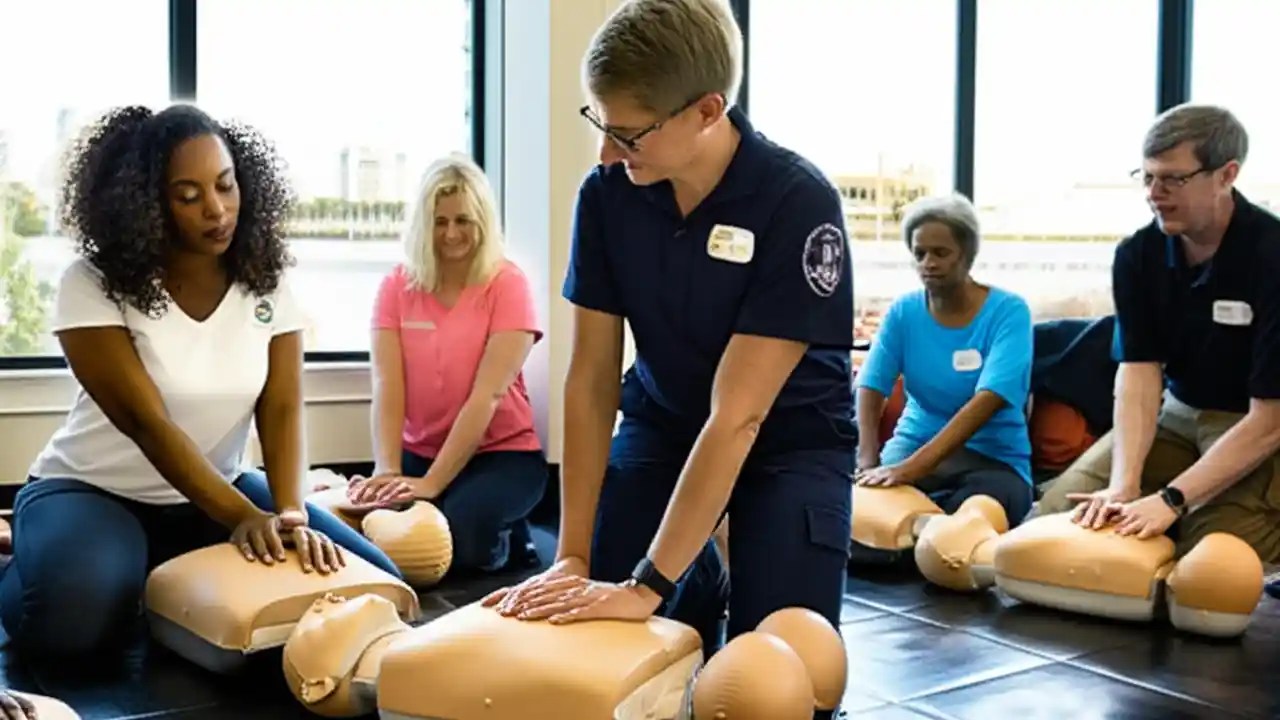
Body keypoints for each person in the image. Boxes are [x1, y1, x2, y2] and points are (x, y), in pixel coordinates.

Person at [484, 0, 856, 689]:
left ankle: (691, 570)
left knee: (774, 674)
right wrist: (573, 554)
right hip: (664, 424)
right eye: (600, 122)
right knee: (593, 616)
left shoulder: (798, 202)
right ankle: (696, 570)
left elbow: (739, 416)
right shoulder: (608, 195)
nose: (605, 153)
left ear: (708, 111)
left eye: (628, 134)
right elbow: (592, 378)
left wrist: (649, 584)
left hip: (790, 441)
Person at [0, 104, 403, 661]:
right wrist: (242, 518)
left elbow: (282, 408)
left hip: (218, 491)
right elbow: (147, 422)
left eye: (225, 185)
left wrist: (288, 515)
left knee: (374, 582)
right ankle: (29, 550)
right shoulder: (92, 283)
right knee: (76, 624)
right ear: (147, 205)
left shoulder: (265, 280)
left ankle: (150, 572)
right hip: (93, 491)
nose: (216, 210)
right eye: (188, 196)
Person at [1033, 104, 1280, 592]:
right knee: (1064, 512)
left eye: (1172, 180)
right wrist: (1125, 483)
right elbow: (1140, 373)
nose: (1153, 194)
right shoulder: (1137, 255)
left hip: (1253, 425)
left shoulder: (1272, 255)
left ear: (1226, 175)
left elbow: (1269, 422)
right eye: (1146, 178)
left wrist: (1170, 500)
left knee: (1210, 567)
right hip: (1177, 414)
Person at [345, 154, 547, 573]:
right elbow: (388, 384)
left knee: (456, 540)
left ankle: (515, 537)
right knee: (378, 536)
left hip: (501, 455)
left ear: (482, 223)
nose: (451, 234)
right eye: (440, 221)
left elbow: (486, 396)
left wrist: (432, 484)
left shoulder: (508, 284)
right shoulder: (397, 286)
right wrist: (387, 471)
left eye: (463, 221)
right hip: (419, 451)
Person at [854, 193, 1034, 527]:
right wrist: (867, 459)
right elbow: (870, 385)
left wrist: (912, 469)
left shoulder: (1009, 312)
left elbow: (988, 400)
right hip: (910, 448)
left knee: (961, 531)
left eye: (941, 253)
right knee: (869, 524)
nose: (928, 263)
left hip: (992, 462)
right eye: (919, 253)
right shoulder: (904, 312)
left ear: (966, 255)